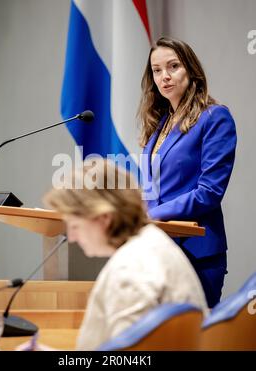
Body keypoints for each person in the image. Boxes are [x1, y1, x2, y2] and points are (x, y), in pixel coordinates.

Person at [44, 159, 208, 351]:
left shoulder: (130, 270)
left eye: (74, 225)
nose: (71, 237)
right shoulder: (153, 242)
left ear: (104, 218)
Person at [138, 36, 237, 308]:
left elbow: (209, 192)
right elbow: (152, 190)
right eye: (157, 70)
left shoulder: (214, 117)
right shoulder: (157, 125)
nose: (164, 76)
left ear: (191, 70)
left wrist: (150, 215)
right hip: (156, 251)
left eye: (173, 66)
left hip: (195, 253)